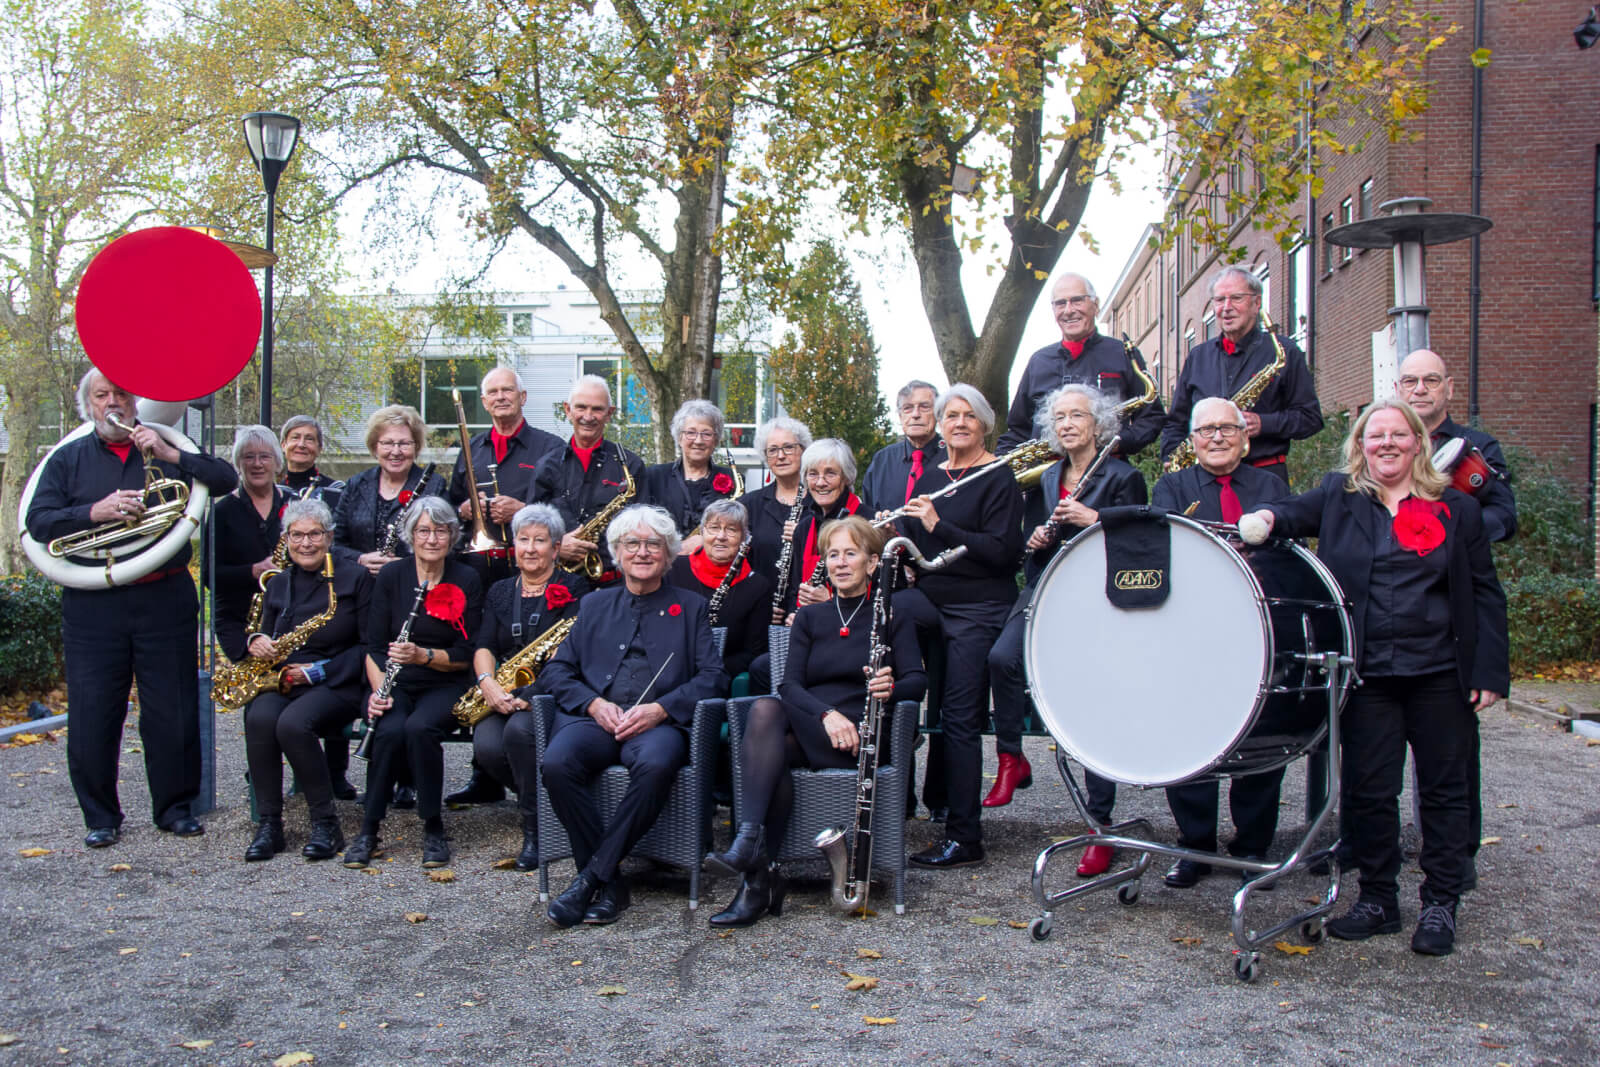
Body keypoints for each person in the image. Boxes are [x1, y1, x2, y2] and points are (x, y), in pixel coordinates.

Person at [1244, 399, 1508, 956]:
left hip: (1441, 672)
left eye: (1397, 434)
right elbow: (1289, 512)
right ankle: (1378, 899)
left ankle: (1440, 902)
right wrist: (1265, 519)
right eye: (1374, 435)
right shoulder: (1341, 499)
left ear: (1417, 441)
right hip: (1369, 675)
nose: (1385, 443)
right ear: (1361, 446)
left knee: (1444, 791)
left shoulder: (1457, 509)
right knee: (1368, 791)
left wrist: (1489, 672)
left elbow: (1484, 592)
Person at [25, 369, 237, 846]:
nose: (113, 402)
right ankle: (100, 818)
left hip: (164, 596)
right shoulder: (67, 459)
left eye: (120, 393)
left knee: (173, 708)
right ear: (89, 406)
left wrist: (170, 454)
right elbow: (38, 522)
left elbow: (224, 479)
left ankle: (175, 809)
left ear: (135, 401)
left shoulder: (164, 444)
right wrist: (92, 513)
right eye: (102, 395)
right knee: (93, 711)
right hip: (92, 603)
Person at [703, 516, 926, 926]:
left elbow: (918, 682)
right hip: (818, 726)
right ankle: (757, 867)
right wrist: (826, 715)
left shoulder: (892, 617)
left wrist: (891, 686)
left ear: (873, 562)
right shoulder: (810, 618)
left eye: (851, 553)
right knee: (769, 715)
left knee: (767, 725)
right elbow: (789, 686)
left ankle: (753, 862)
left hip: (862, 737)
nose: (840, 563)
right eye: (832, 554)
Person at [539, 505, 727, 927]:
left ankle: (592, 878)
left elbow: (714, 678)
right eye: (632, 544)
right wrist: (593, 704)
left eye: (653, 545)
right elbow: (556, 671)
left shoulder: (692, 606)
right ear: (617, 553)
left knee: (659, 762)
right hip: (596, 722)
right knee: (556, 763)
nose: (642, 552)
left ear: (669, 553)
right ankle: (607, 881)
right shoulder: (593, 604)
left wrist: (662, 709)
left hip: (656, 726)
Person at [985, 385, 1144, 875]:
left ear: (1099, 424)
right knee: (1002, 658)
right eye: (1060, 418)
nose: (1068, 424)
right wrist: (1036, 538)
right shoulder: (1051, 476)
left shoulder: (1122, 475)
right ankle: (1012, 758)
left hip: (1098, 594)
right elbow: (1037, 539)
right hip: (1050, 583)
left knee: (1092, 704)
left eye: (1078, 415)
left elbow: (1143, 536)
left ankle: (1101, 826)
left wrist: (1096, 518)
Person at [1151, 397, 1288, 889]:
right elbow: (1161, 552)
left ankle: (1252, 847)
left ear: (1245, 437)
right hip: (1191, 628)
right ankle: (1195, 847)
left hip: (1256, 627)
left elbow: (1287, 552)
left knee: (1259, 733)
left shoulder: (1271, 486)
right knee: (1189, 734)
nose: (1216, 437)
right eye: (1205, 430)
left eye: (1226, 429)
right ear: (1191, 441)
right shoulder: (1172, 487)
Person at [1397, 347, 1518, 890]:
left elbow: (1504, 516)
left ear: (1448, 388)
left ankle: (1455, 855)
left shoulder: (1474, 450)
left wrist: (1453, 534)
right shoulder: (1385, 441)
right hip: (1392, 610)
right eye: (1410, 381)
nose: (1420, 390)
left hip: (1450, 609)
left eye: (1430, 381)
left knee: (1451, 754)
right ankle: (1360, 846)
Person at [896, 385, 1024, 870]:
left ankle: (964, 837)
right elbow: (919, 541)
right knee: (893, 626)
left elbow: (1000, 553)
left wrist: (936, 527)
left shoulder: (997, 476)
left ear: (984, 424)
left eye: (970, 416)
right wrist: (902, 541)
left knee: (960, 720)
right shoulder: (935, 473)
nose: (959, 423)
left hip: (980, 608)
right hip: (934, 600)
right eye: (951, 416)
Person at [342, 496, 484, 871]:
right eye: (424, 530)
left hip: (445, 681)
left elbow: (467, 653)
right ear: (411, 535)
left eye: (440, 530)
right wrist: (378, 693)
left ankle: (432, 825)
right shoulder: (391, 576)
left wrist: (424, 656)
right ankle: (368, 829)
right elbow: (373, 647)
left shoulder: (466, 577)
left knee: (421, 729)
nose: (432, 539)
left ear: (452, 535)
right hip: (394, 682)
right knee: (388, 729)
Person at [238, 499, 374, 862]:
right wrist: (256, 642)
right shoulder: (279, 583)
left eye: (315, 534)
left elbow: (368, 647)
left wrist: (318, 671)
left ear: (329, 537)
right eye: (297, 535)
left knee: (294, 725)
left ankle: (325, 823)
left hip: (339, 680)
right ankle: (269, 824)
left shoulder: (354, 578)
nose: (306, 543)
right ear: (286, 539)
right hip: (286, 678)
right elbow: (261, 632)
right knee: (260, 718)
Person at [460, 504, 587, 868]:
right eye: (523, 539)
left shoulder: (573, 587)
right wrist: (487, 685)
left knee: (517, 734)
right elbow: (483, 644)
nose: (530, 548)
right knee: (486, 747)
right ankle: (547, 800)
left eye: (540, 541)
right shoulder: (500, 590)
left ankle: (535, 830)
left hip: (551, 688)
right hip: (501, 689)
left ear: (556, 547)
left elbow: (570, 651)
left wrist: (529, 697)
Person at [1159, 266, 1323, 482]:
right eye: (1219, 300)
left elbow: (1310, 419)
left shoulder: (1284, 352)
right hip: (1204, 480)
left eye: (1236, 298)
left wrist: (1264, 423)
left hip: (1264, 478)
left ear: (1257, 304)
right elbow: (1176, 422)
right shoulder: (1197, 357)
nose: (1226, 308)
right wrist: (1172, 457)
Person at [999, 274, 1166, 455]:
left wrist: (1118, 444)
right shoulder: (1038, 361)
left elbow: (1152, 417)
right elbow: (1018, 429)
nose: (1069, 310)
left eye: (1077, 300)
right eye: (1060, 303)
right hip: (1044, 479)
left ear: (1096, 305)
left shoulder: (1122, 354)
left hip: (1106, 474)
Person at [447, 366, 563, 587]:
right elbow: (450, 503)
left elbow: (565, 506)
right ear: (484, 401)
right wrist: (463, 510)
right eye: (493, 392)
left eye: (508, 390)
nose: (500, 397)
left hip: (534, 567)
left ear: (523, 397)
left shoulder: (552, 448)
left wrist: (524, 511)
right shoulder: (470, 449)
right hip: (477, 568)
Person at [530, 375, 648, 584]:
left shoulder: (630, 465)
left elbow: (644, 527)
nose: (588, 416)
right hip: (558, 581)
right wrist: (555, 544)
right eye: (581, 407)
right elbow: (530, 525)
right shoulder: (546, 466)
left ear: (609, 414)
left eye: (597, 409)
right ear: (568, 410)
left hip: (614, 583)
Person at [212, 425, 296, 664]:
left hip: (287, 619)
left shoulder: (295, 505)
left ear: (277, 462)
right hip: (240, 623)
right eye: (249, 457)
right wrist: (254, 570)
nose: (257, 464)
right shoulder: (223, 511)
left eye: (264, 456)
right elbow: (210, 576)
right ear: (239, 463)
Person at [332, 405, 447, 576]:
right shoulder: (355, 484)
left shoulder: (434, 485)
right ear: (374, 446)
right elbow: (334, 543)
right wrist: (360, 558)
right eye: (387, 443)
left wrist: (405, 565)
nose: (396, 451)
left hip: (409, 582)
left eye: (404, 443)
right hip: (359, 584)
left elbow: (448, 544)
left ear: (416, 447)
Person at [668, 499, 772, 680]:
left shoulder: (758, 586)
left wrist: (708, 671)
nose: (721, 536)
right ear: (702, 532)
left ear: (743, 538)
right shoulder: (673, 570)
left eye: (731, 529)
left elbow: (753, 652)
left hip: (719, 675)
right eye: (714, 528)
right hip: (671, 669)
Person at [642, 399, 741, 551]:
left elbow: (738, 528)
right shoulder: (654, 476)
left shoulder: (733, 478)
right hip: (665, 564)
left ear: (715, 440)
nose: (699, 440)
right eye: (691, 433)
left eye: (706, 434)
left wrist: (704, 538)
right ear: (679, 437)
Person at [736, 415, 812, 595]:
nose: (780, 456)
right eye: (773, 450)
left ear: (803, 450)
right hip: (761, 606)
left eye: (788, 447)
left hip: (808, 606)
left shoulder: (822, 504)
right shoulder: (748, 505)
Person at [859, 380, 946, 514]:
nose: (915, 414)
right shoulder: (882, 461)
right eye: (908, 408)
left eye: (924, 406)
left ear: (938, 413)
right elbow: (868, 515)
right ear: (900, 416)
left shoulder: (954, 456)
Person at [278, 415, 345, 510]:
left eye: (309, 439)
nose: (301, 445)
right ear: (283, 445)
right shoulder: (274, 493)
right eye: (295, 437)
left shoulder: (337, 491)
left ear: (319, 448)